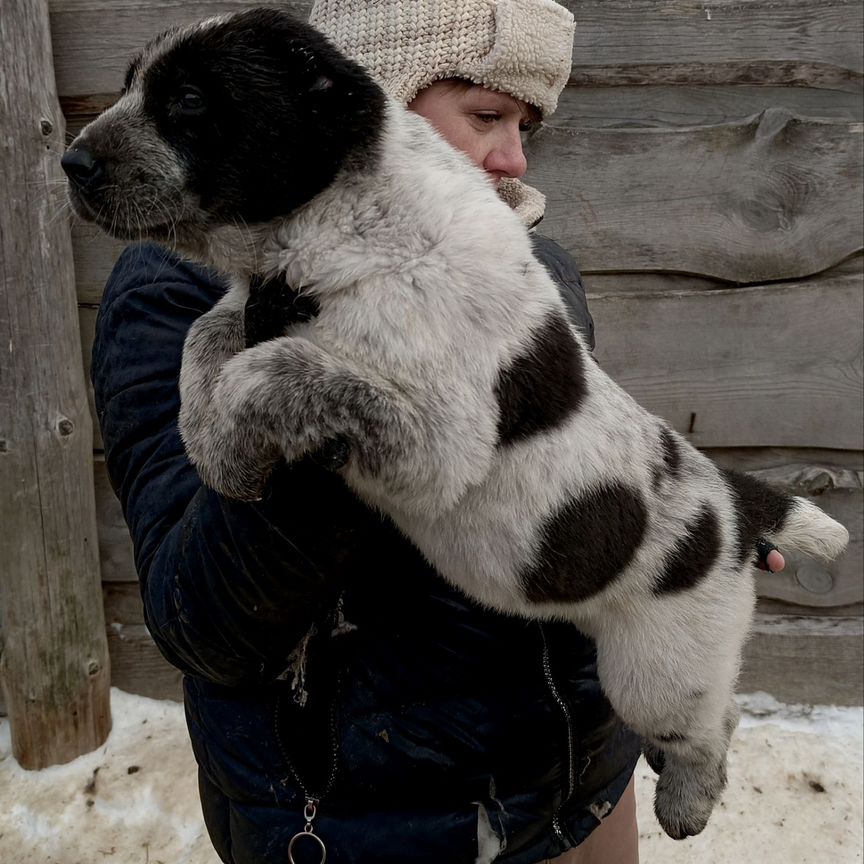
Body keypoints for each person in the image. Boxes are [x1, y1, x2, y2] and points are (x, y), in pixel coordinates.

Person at [90, 2, 782, 862]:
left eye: (527, 125)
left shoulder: (528, 259)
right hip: (361, 825)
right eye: (487, 115)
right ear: (355, 105)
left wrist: (705, 522)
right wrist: (323, 410)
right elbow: (203, 626)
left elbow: (581, 452)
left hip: (573, 782)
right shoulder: (173, 302)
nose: (516, 156)